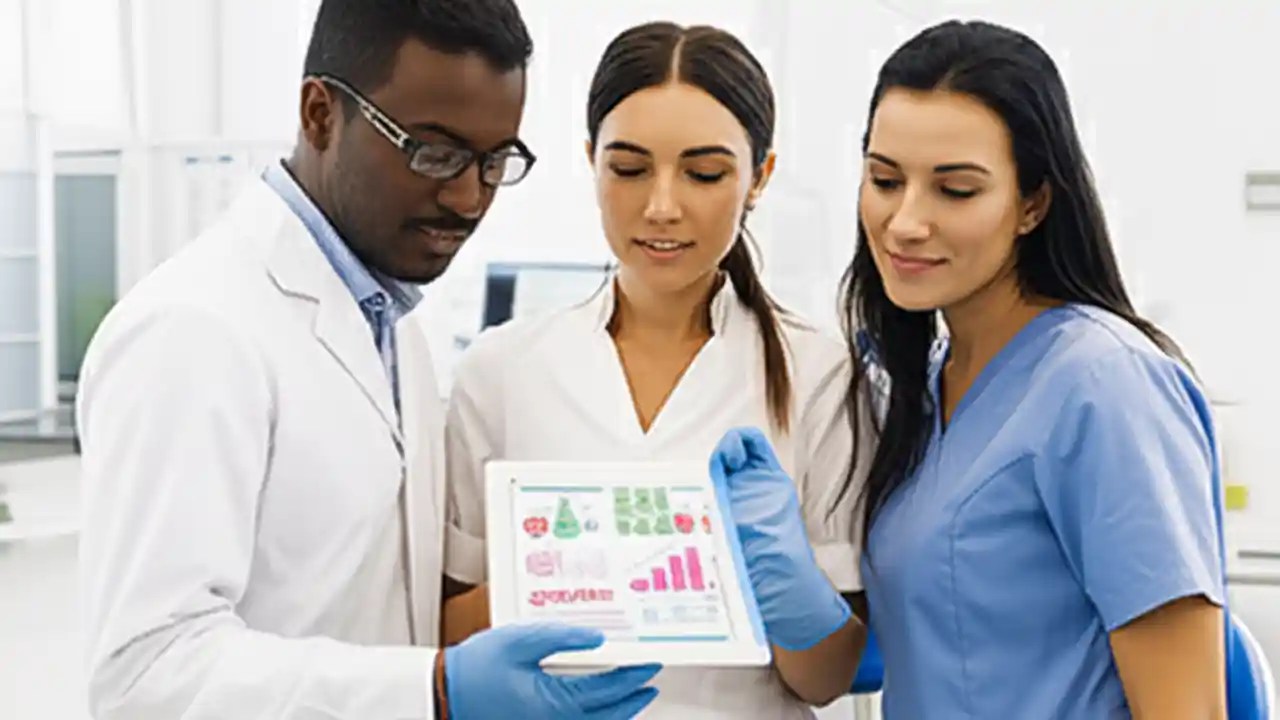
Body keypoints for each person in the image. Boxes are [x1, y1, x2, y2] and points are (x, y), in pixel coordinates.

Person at [75, 1, 660, 718]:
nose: (468, 198)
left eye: (494, 162)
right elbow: (147, 676)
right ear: (320, 114)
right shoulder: (193, 330)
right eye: (435, 153)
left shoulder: (391, 321)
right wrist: (434, 689)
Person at [713, 19, 1228, 719]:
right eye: (885, 180)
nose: (905, 222)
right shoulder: (925, 390)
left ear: (1033, 203)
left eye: (954, 190)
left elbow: (1187, 708)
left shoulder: (1104, 387)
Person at [439, 21, 871, 719]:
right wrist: (568, 577)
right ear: (592, 162)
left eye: (704, 174)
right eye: (629, 169)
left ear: (759, 178)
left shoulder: (820, 375)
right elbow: (443, 629)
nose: (662, 206)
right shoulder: (500, 372)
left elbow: (826, 678)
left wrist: (791, 595)